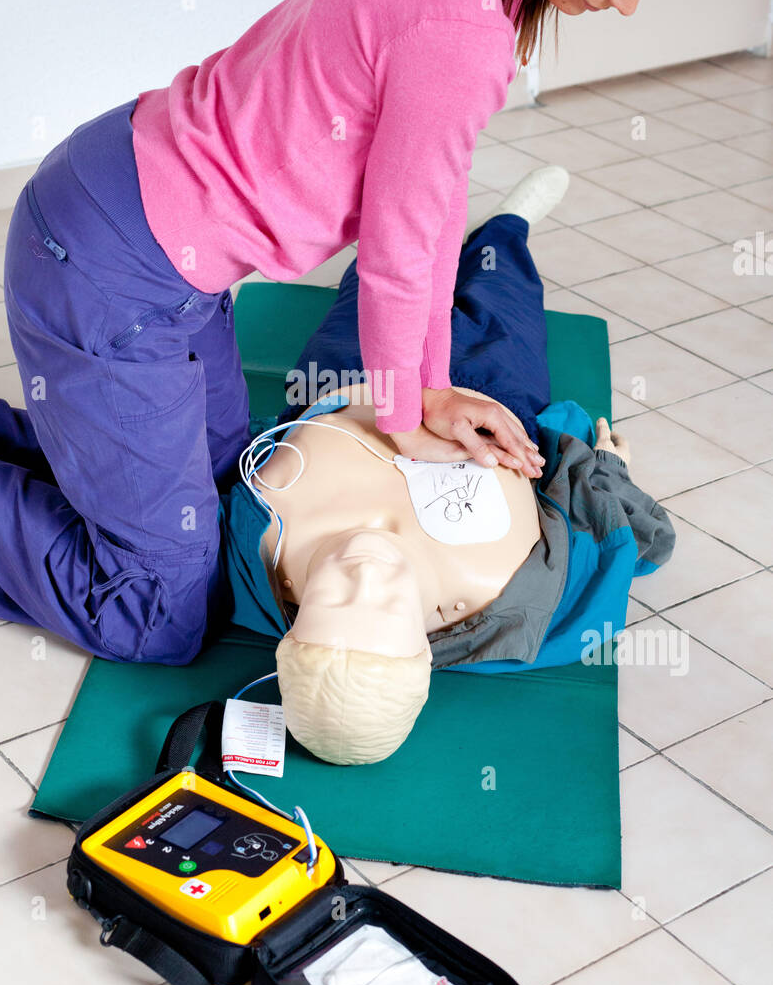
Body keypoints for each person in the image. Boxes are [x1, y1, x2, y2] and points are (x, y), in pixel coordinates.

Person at [0, 0, 732, 665]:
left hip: (140, 225)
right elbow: (398, 249)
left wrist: (427, 392)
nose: (626, 3)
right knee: (156, 611)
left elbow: (428, 207)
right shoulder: (459, 31)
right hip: (110, 265)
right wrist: (399, 407)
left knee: (224, 505)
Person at [220, 176, 675, 764]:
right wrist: (608, 470)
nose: (366, 572)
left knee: (380, 277)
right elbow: (618, 539)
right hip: (493, 392)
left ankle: (409, 212)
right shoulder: (508, 597)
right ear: (424, 649)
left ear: (293, 631)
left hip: (353, 372)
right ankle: (507, 226)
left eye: (333, 602)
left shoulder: (256, 552)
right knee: (502, 292)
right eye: (384, 607)